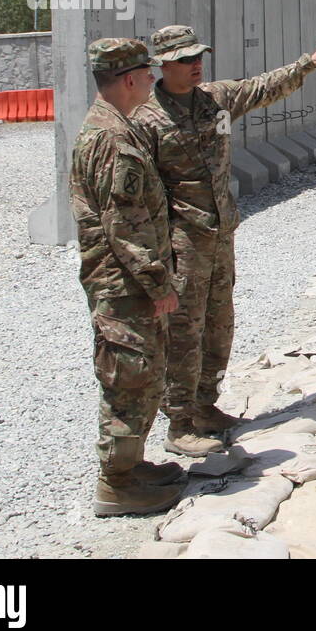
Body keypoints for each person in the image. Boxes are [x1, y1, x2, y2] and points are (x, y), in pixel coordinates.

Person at [133, 24, 316, 456]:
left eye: (198, 57)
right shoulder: (146, 119)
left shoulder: (216, 99)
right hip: (181, 241)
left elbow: (262, 87)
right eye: (187, 59)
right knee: (183, 331)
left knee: (218, 323)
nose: (196, 65)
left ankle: (206, 405)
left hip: (219, 234)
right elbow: (140, 195)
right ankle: (180, 423)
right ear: (163, 65)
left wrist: (308, 63)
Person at [69, 38, 185, 516]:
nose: (154, 82)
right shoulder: (114, 140)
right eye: (148, 74)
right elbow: (126, 226)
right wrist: (160, 285)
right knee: (129, 379)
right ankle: (116, 484)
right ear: (131, 79)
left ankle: (131, 466)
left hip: (125, 282)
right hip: (125, 286)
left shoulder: (116, 127)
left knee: (142, 373)